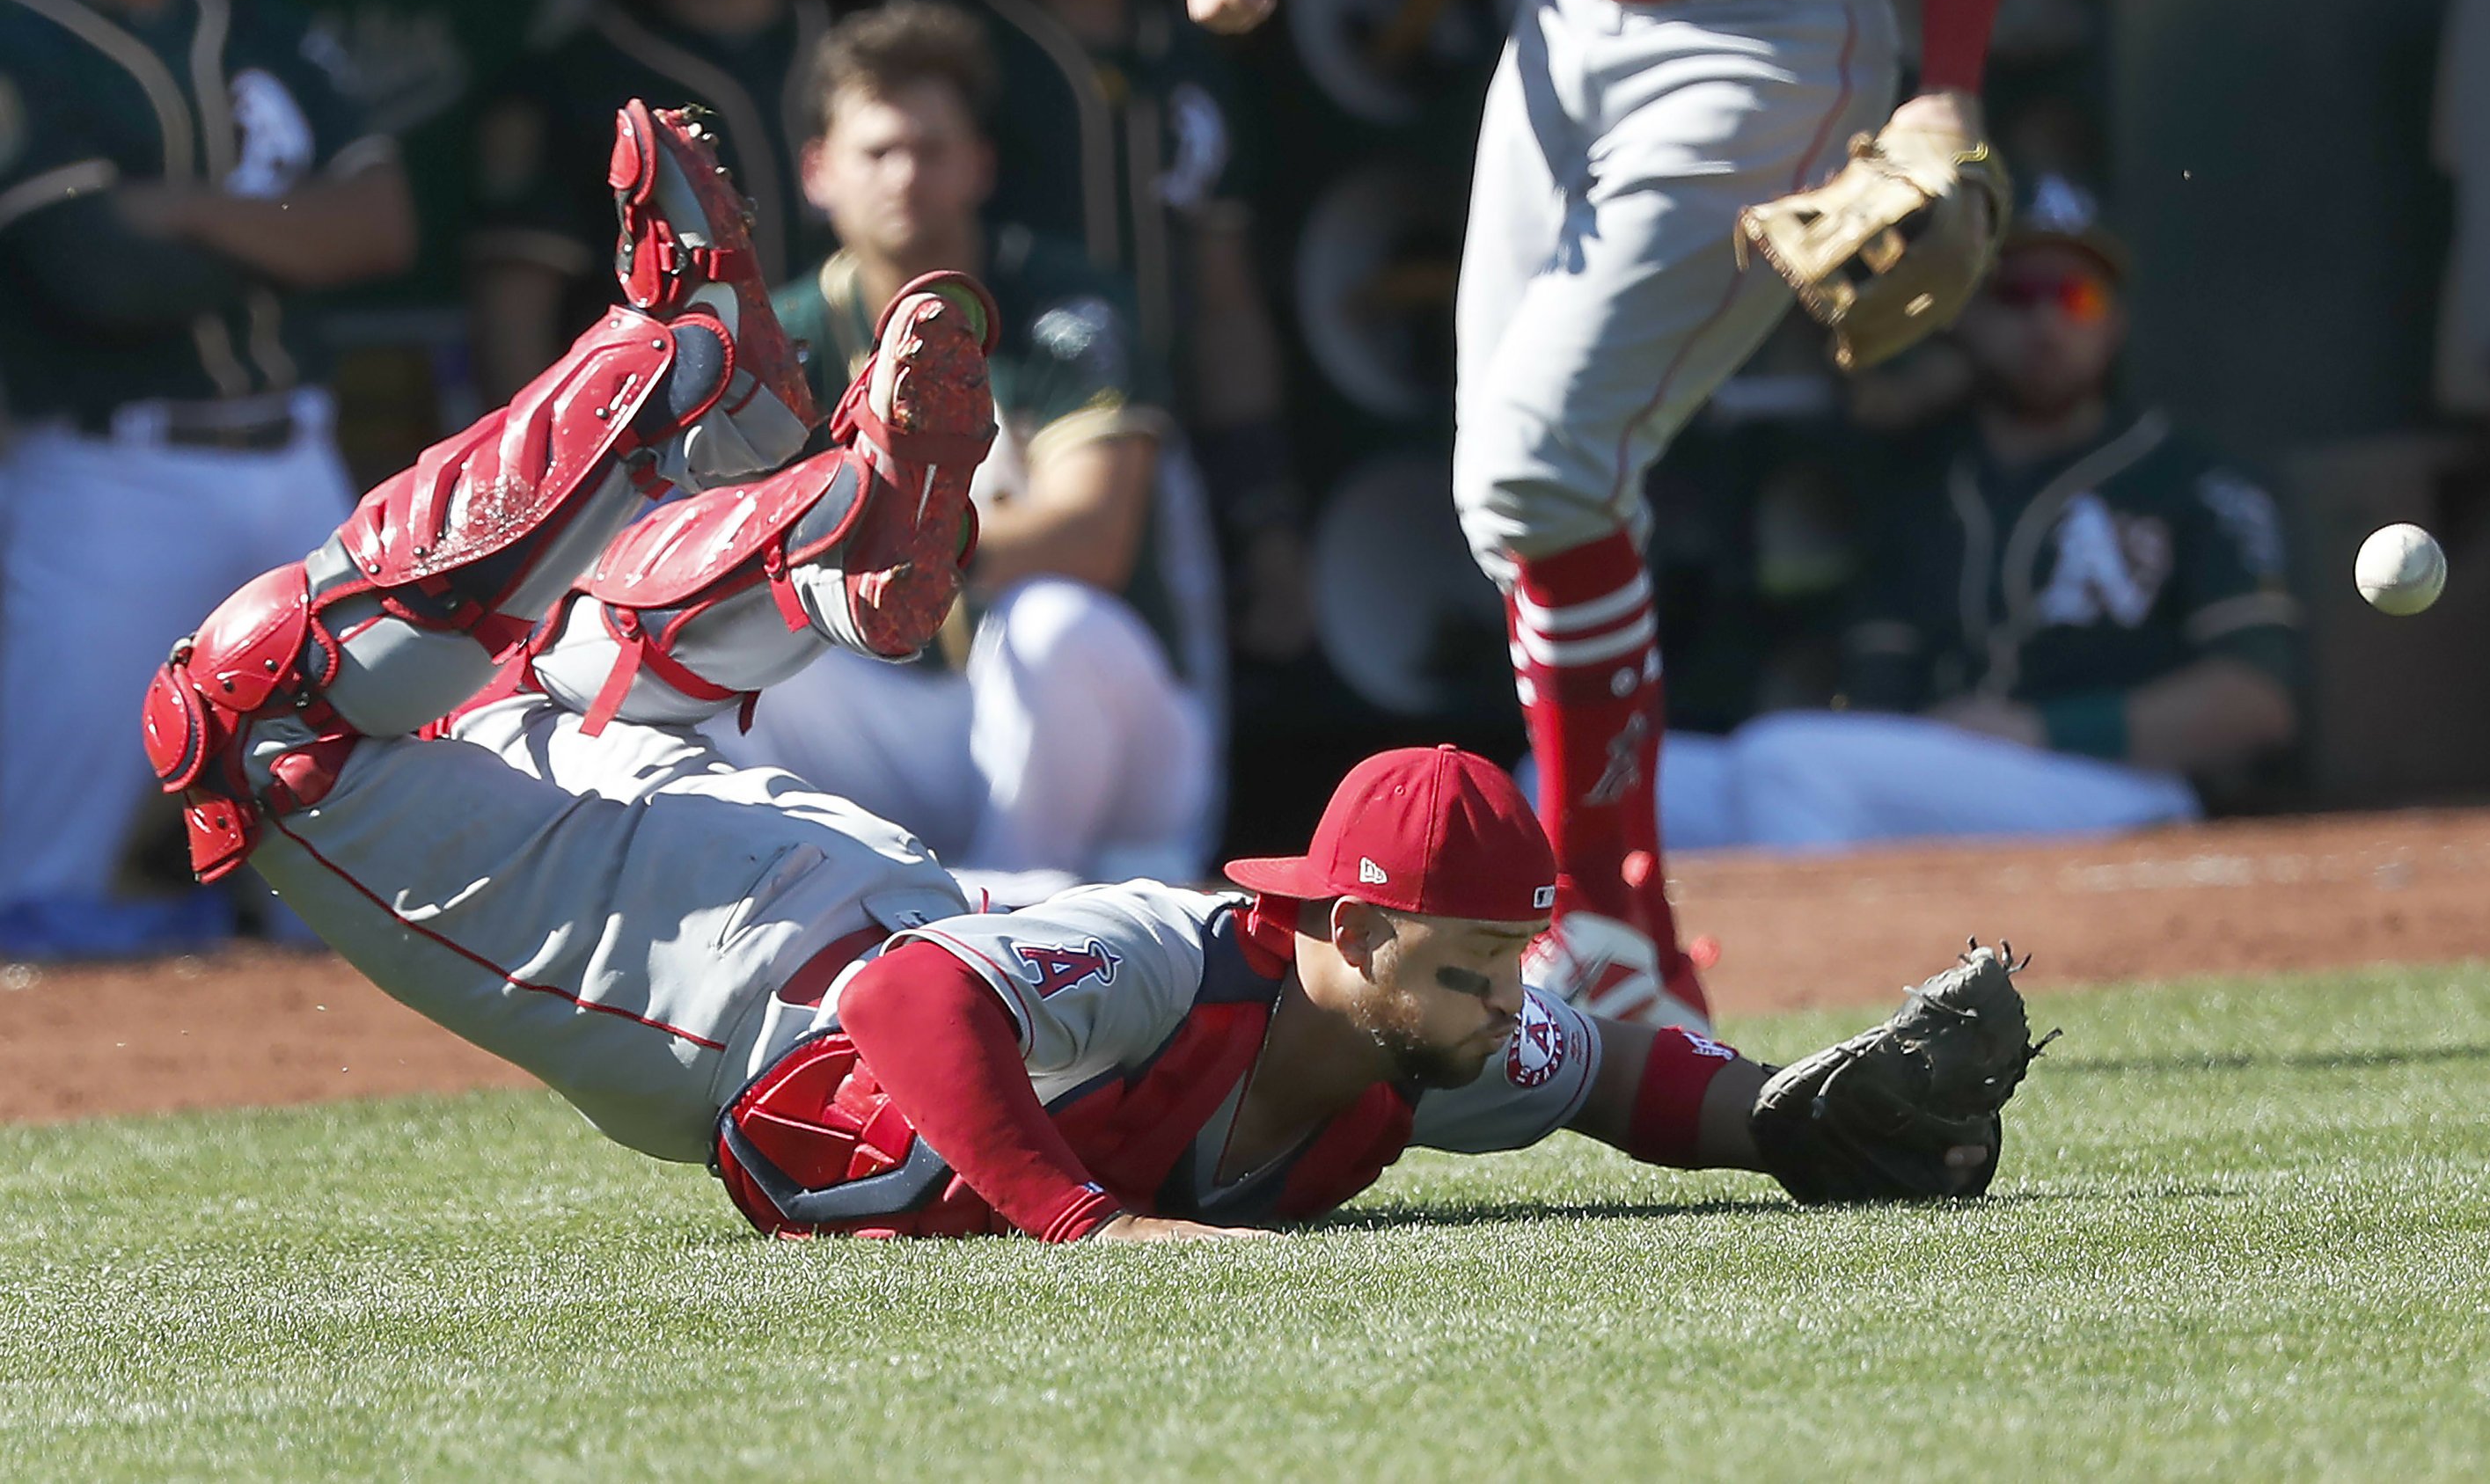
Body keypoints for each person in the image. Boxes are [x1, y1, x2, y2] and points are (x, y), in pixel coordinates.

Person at [141, 133, 2036, 1235]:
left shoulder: (1426, 1046)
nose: (1502, 998)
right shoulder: (1186, 953)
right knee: (235, 725)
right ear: (1346, 931)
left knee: (600, 666)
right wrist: (1085, 1233)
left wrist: (1790, 1121)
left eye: (1504, 959)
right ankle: (667, 386)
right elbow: (906, 1004)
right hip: (750, 963)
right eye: (1471, 959)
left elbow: (1615, 1074)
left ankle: (812, 516)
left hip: (758, 900)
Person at [1185, 0, 2027, 1026]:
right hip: (1561, 23)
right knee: (1515, 500)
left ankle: (1603, 919)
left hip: (1767, 28)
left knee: (1538, 470)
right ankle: (1629, 939)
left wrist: (1953, 79)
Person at [0, 0, 415, 949]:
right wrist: (288, 234)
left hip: (297, 467)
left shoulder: (264, 32)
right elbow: (96, 277)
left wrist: (175, 204)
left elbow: (381, 227)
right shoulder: (23, 41)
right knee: (35, 874)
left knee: (369, 836)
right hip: (105, 477)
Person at [1648, 182, 2298, 862]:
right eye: (2016, 298)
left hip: (2121, 788)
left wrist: (2033, 729)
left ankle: (1836, 966)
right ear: (1964, 316)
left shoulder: (2190, 480)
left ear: (2115, 323)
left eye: (2077, 299)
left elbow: (2257, 704)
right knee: (1603, 787)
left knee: (1784, 762)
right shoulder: (1923, 482)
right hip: (1947, 780)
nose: (2048, 324)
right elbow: (1879, 696)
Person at [733, 2, 1224, 885]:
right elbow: (728, 550)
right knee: (733, 648)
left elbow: (1092, 539)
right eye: (879, 151)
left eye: (931, 148)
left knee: (1050, 622)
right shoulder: (782, 342)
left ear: (979, 166)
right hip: (902, 726)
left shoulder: (1067, 307)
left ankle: (1015, 922)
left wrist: (896, 536)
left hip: (1104, 746)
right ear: (818, 172)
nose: (906, 174)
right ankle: (774, 907)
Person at [944, 0, 1310, 665]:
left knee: (1183, 734)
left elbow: (1224, 302)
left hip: (1159, 444)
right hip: (1005, 446)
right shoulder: (955, 42)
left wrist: (1265, 515)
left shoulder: (1189, 48)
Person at [464, 0, 828, 404]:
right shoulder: (574, 79)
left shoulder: (850, 54)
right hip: (664, 462)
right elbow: (513, 310)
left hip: (858, 432)